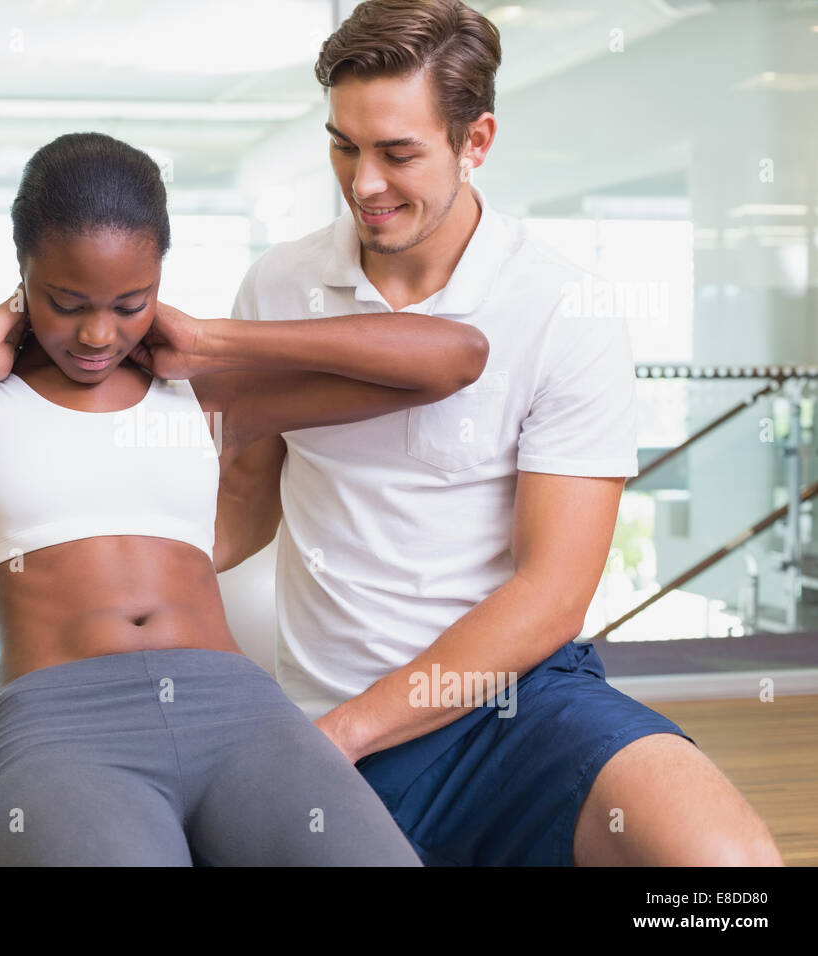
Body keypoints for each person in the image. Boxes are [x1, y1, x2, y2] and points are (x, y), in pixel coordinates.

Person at [0, 131, 489, 866]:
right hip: (62, 727)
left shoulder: (208, 399)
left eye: (130, 304)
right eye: (67, 303)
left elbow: (453, 357)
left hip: (235, 709)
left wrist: (214, 339)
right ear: (24, 272)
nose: (99, 335)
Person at [213, 0, 783, 866]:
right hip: (321, 715)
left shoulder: (562, 309)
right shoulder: (278, 286)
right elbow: (246, 503)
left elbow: (553, 592)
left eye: (398, 153)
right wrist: (76, 546)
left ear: (476, 142)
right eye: (344, 145)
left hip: (516, 708)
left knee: (723, 869)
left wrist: (349, 732)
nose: (364, 182)